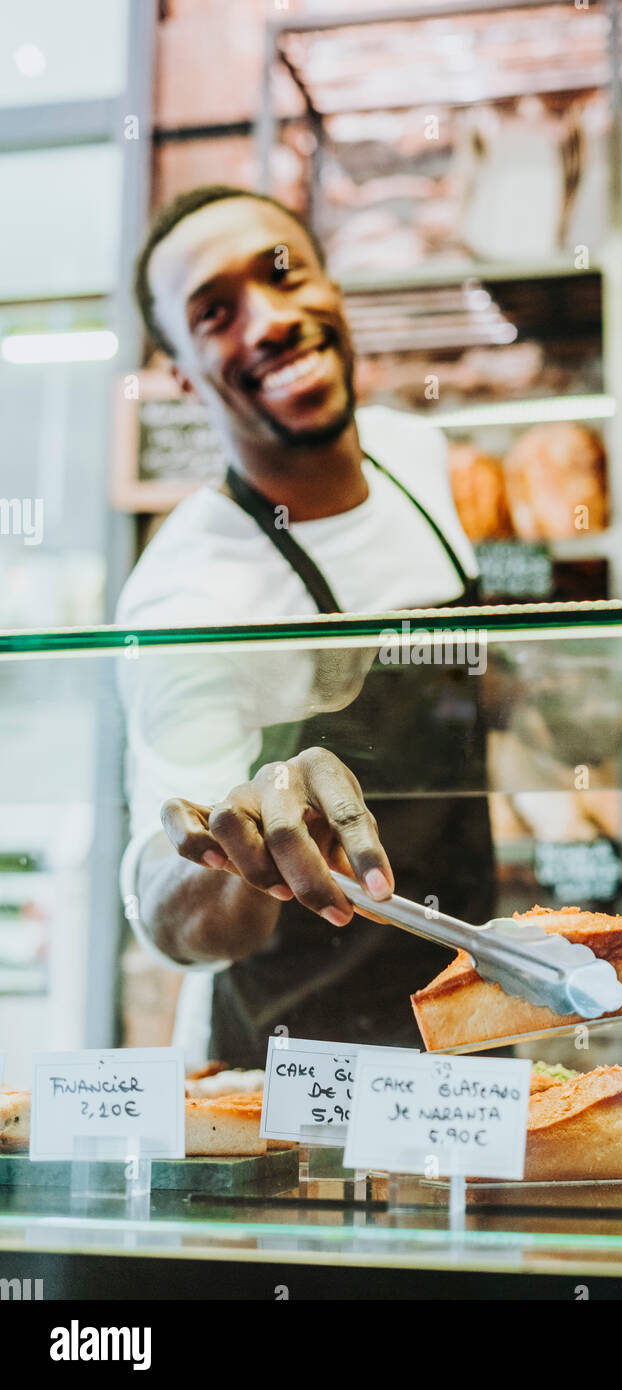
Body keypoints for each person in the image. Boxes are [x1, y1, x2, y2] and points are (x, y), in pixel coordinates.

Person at [117, 185, 494, 1066]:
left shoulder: (413, 455)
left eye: (285, 276)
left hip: (467, 1001)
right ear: (180, 375)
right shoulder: (189, 597)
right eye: (216, 313)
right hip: (296, 1058)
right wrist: (226, 844)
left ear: (331, 290)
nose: (271, 320)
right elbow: (164, 911)